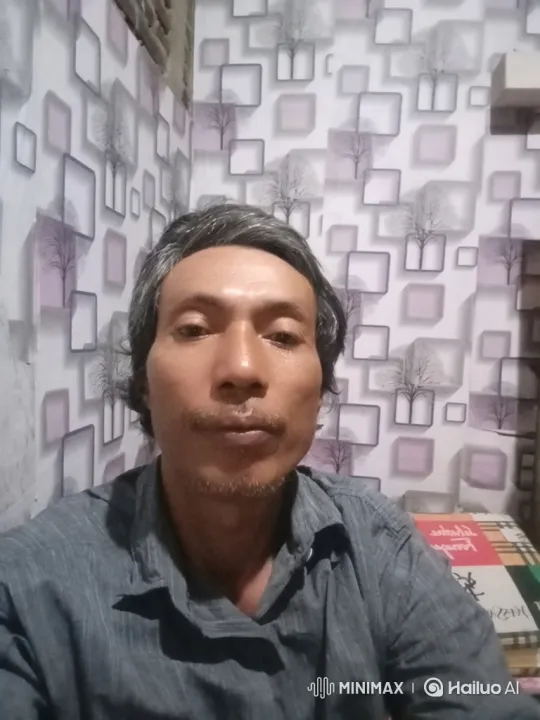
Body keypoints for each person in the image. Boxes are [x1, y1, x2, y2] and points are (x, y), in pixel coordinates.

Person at [0, 204, 538, 720]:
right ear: (143, 382)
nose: (241, 368)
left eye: (282, 335)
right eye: (195, 328)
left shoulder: (378, 545)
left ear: (320, 391)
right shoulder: (27, 589)